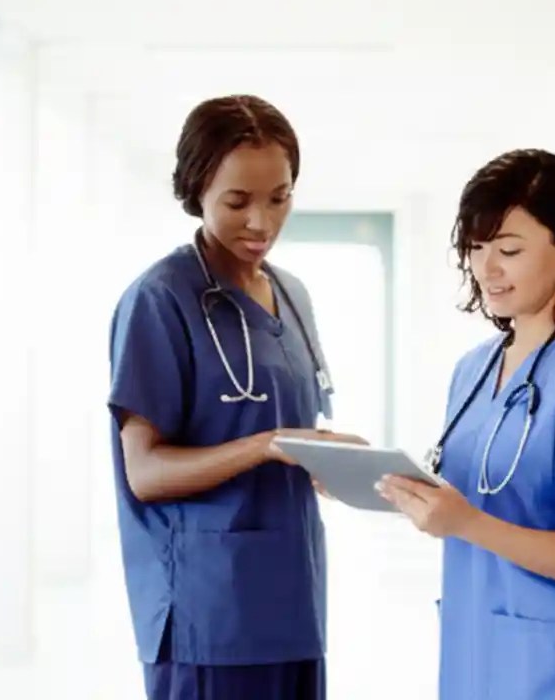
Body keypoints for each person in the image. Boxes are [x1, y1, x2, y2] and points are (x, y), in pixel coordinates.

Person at [106, 94, 362, 700]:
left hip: (294, 600)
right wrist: (269, 445)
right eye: (237, 202)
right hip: (209, 614)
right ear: (196, 192)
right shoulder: (160, 299)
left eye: (280, 197)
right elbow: (143, 472)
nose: (262, 223)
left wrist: (328, 460)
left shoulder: (292, 294)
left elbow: (284, 432)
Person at [378, 149, 555, 700]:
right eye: (476, 249)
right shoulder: (473, 370)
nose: (486, 269)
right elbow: (473, 501)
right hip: (477, 656)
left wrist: (466, 523)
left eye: (509, 250)